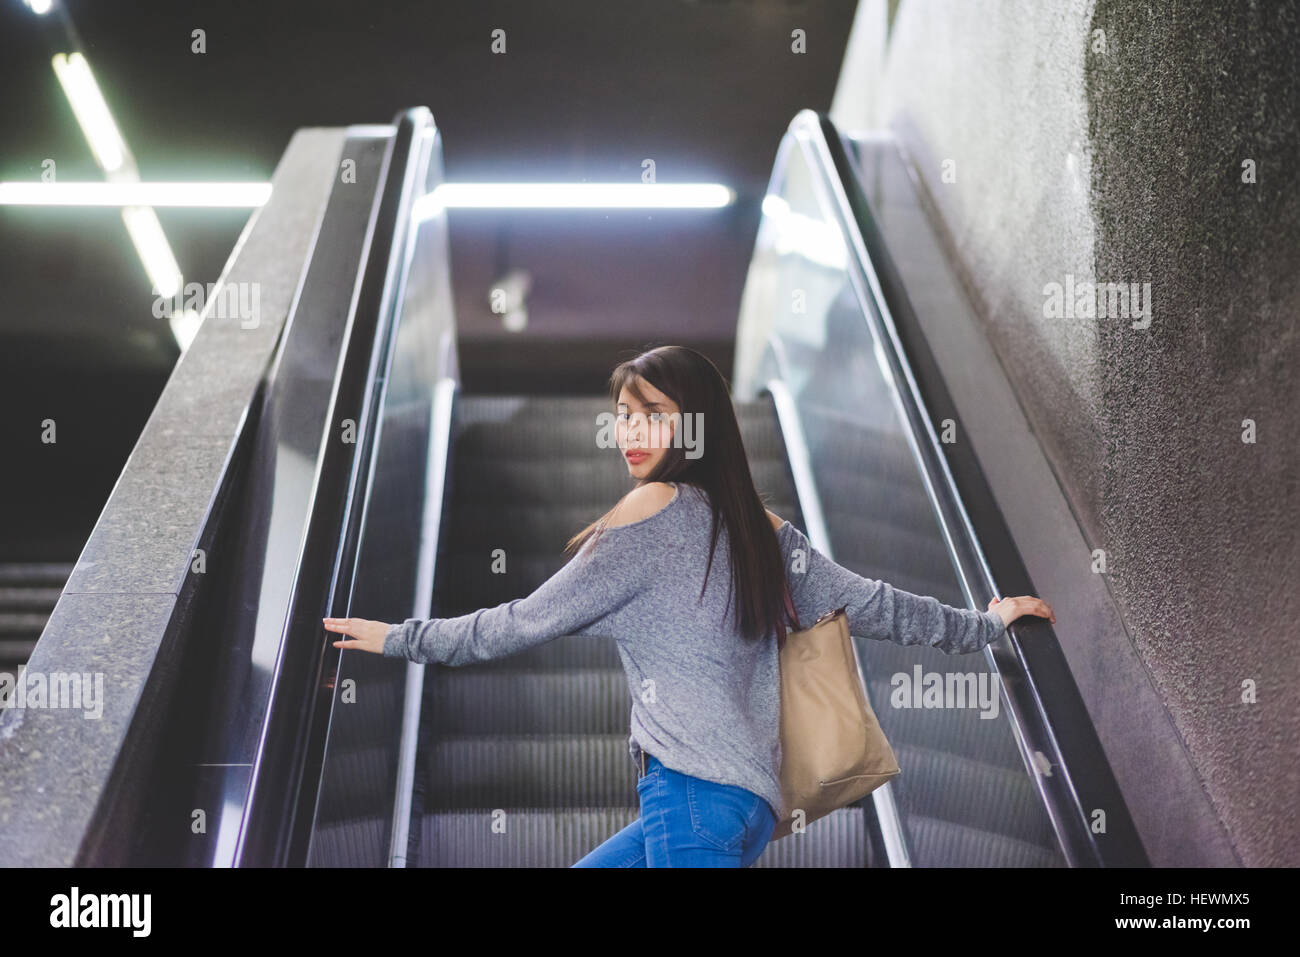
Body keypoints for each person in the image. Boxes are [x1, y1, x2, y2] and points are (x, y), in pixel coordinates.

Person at [324, 345, 1055, 867]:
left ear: (695, 421)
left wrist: (397, 638)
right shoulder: (760, 529)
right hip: (748, 806)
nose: (629, 433)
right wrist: (985, 624)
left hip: (692, 795)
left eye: (651, 414)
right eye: (621, 416)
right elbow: (875, 604)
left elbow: (519, 622)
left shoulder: (648, 515)